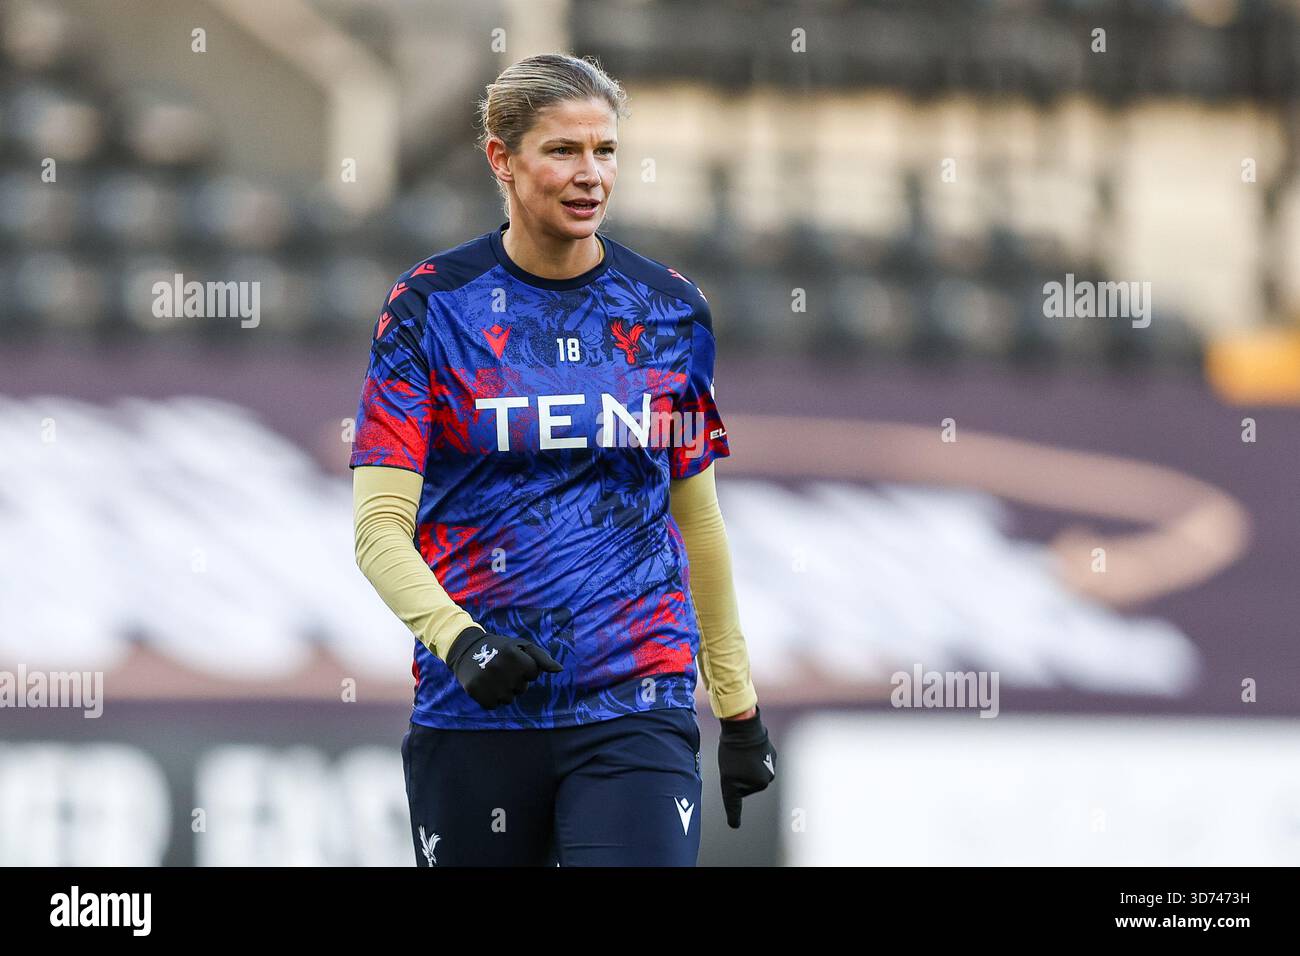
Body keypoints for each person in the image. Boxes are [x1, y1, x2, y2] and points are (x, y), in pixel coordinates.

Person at [351, 52, 775, 866]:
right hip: (474, 709)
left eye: (605, 151)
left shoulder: (669, 311)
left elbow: (699, 521)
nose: (591, 175)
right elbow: (377, 530)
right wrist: (462, 642)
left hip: (635, 700)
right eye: (563, 151)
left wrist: (739, 706)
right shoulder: (429, 309)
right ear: (500, 159)